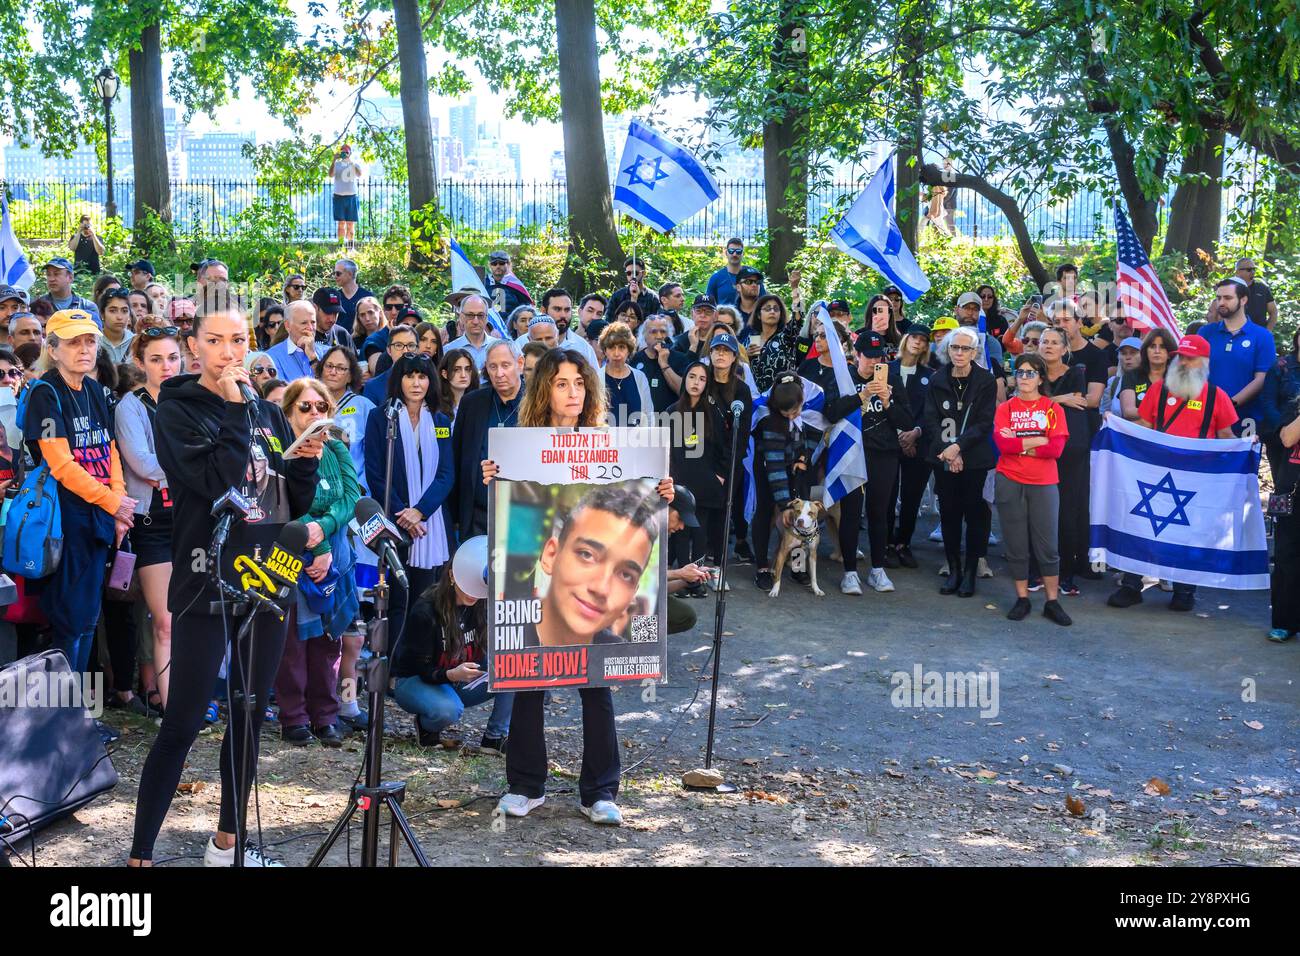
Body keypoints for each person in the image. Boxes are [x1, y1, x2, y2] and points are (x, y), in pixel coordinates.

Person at [127, 308, 322, 868]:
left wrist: (304, 462)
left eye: (238, 340)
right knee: (184, 720)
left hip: (267, 576)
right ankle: (141, 855)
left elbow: (290, 501)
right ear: (195, 347)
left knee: (249, 711)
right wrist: (236, 409)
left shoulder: (265, 409)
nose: (229, 351)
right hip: (204, 575)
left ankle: (228, 843)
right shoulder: (177, 407)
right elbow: (214, 481)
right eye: (215, 340)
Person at [482, 350, 674, 827]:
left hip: (595, 634)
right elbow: (500, 504)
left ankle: (600, 792)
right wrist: (489, 476)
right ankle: (525, 786)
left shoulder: (612, 445)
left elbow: (644, 493)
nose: (572, 392)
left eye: (579, 384)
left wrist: (662, 492)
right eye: (561, 383)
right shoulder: (519, 446)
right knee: (530, 681)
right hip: (531, 606)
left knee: (597, 686)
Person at [22, 309, 133, 742]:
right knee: (70, 620)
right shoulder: (44, 393)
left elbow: (111, 452)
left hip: (100, 515)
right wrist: (114, 503)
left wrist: (119, 504)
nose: (84, 349)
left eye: (89, 341)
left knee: (88, 619)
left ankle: (76, 717)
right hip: (65, 519)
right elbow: (61, 464)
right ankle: (59, 721)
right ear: (52, 349)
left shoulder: (96, 391)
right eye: (72, 342)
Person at [1105, 334, 1239, 613]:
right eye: (1181, 357)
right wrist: (1116, 428)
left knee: (1189, 533)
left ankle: (1184, 590)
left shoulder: (1217, 396)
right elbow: (1142, 425)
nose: (1184, 362)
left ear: (1204, 362)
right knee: (1141, 524)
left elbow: (1227, 436)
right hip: (1154, 472)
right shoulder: (1158, 391)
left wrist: (1244, 449)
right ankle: (1131, 585)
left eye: (1191, 358)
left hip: (1196, 479)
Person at [275, 378, 361, 748]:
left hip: (335, 559)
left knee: (330, 640)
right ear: (290, 411)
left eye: (321, 407)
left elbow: (350, 496)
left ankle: (325, 716)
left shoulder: (337, 448)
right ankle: (293, 717)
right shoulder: (282, 451)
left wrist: (325, 532)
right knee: (291, 642)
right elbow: (296, 504)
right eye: (305, 408)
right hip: (292, 555)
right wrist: (318, 542)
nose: (314, 414)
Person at [364, 353, 454, 648]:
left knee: (423, 598)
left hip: (428, 525)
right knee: (397, 600)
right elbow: (376, 473)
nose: (417, 383)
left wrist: (420, 512)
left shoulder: (441, 420)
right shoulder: (381, 417)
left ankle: (415, 667)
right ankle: (391, 671)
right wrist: (404, 513)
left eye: (423, 376)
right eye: (410, 376)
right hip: (395, 523)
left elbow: (446, 474)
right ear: (398, 380)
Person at [392, 535, 514, 750]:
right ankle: (427, 727)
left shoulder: (480, 605)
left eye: (480, 584)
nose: (473, 592)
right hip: (416, 679)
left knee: (512, 669)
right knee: (449, 710)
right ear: (452, 576)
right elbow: (420, 668)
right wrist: (451, 675)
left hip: (459, 677)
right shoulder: (426, 610)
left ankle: (495, 736)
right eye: (468, 583)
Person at [116, 327, 182, 711]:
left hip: (194, 517)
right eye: (156, 359)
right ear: (141, 363)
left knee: (192, 618)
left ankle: (191, 699)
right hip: (152, 522)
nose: (166, 366)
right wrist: (192, 472)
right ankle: (172, 708)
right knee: (165, 621)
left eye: (172, 357)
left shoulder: (192, 400)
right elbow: (141, 464)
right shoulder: (131, 406)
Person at [993, 353, 1072, 625]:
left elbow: (1056, 449)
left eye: (1031, 372)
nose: (1024, 377)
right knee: (1016, 543)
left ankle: (1052, 601)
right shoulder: (1005, 409)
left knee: (1048, 545)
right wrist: (1038, 439)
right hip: (1009, 480)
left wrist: (1021, 441)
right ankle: (1022, 598)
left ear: (1041, 378)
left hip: (1044, 483)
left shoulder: (1053, 409)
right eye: (1021, 372)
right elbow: (1004, 446)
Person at [923, 327, 996, 598]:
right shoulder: (937, 379)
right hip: (943, 457)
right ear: (948, 349)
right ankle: (953, 569)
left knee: (975, 516)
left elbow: (984, 422)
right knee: (950, 515)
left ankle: (969, 573)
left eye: (965, 348)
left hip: (974, 459)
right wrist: (949, 450)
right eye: (955, 348)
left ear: (974, 351)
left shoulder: (986, 381)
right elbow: (932, 419)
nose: (959, 353)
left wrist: (959, 447)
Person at [750, 371, 826, 592]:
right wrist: (784, 505)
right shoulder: (768, 416)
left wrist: (804, 456)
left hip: (797, 464)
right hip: (769, 464)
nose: (793, 417)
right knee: (765, 511)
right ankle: (763, 568)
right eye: (787, 414)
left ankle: (798, 566)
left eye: (796, 411)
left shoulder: (815, 397)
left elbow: (815, 430)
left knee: (802, 512)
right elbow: (774, 467)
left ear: (803, 399)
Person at [1037, 327, 1090, 596]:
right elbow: (1026, 404)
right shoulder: (1031, 372)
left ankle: (1066, 573)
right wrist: (1058, 400)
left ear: (1064, 348)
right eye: (1044, 341)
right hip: (1038, 447)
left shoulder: (1076, 373)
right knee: (1039, 512)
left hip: (1070, 448)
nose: (1048, 346)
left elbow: (1079, 401)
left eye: (1054, 342)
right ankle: (1039, 570)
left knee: (1067, 512)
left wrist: (1044, 402)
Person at [451, 340, 523, 539]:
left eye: (505, 365)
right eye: (493, 367)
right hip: (478, 516)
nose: (499, 373)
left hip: (523, 513)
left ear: (520, 364)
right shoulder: (472, 403)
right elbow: (457, 457)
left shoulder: (539, 402)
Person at [666, 361, 727, 581]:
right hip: (680, 483)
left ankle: (698, 579)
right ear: (685, 379)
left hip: (706, 482)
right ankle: (685, 580)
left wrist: (719, 476)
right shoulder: (672, 411)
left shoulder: (713, 413)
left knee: (700, 532)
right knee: (682, 532)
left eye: (702, 379)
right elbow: (666, 450)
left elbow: (724, 447)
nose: (696, 383)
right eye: (692, 377)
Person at [1200, 277, 1276, 437]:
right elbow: (1192, 370)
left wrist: (1228, 404)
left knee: (1239, 462)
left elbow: (1261, 379)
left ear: (1243, 300)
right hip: (1204, 414)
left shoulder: (1262, 336)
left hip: (1245, 418)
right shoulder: (1206, 332)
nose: (1221, 302)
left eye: (1228, 298)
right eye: (1218, 297)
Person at [887, 323, 935, 569]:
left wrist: (915, 433)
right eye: (914, 337)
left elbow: (930, 411)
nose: (918, 342)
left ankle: (903, 544)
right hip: (888, 442)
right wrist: (899, 435)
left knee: (911, 497)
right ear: (905, 339)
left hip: (919, 443)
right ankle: (886, 543)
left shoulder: (930, 375)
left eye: (923, 339)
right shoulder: (886, 370)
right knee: (887, 494)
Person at [705, 330, 753, 563]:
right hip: (700, 458)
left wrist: (723, 471)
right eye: (717, 350)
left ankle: (717, 564)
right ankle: (696, 563)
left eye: (727, 351)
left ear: (735, 357)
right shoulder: (700, 380)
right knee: (700, 511)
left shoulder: (741, 390)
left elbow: (742, 435)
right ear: (710, 353)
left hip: (728, 462)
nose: (721, 355)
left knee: (722, 512)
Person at [1268, 397, 1300, 641]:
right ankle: (1284, 622)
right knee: (1286, 558)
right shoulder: (1295, 405)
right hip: (1292, 493)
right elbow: (1287, 438)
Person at [745, 286, 811, 393]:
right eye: (767, 308)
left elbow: (798, 319)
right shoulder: (753, 338)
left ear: (780, 315)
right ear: (758, 314)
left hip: (784, 396)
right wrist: (745, 355)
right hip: (756, 401)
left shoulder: (786, 337)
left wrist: (795, 287)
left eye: (776, 309)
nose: (772, 311)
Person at [600, 321, 652, 426]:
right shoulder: (596, 377)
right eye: (611, 347)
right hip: (604, 440)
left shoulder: (639, 377)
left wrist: (648, 439)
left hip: (636, 440)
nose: (616, 353)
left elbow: (648, 415)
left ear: (629, 350)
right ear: (605, 350)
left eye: (621, 347)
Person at [1119, 328, 1177, 422]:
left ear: (1170, 353)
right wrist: (1164, 413)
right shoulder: (1132, 376)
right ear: (1145, 351)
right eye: (1152, 346)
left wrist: (1145, 414)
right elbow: (1128, 412)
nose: (1157, 351)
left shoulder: (1178, 379)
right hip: (1138, 434)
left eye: (1162, 347)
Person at [630, 314, 684, 412]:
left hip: (671, 421)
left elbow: (683, 391)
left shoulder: (680, 359)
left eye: (663, 331)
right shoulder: (633, 359)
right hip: (641, 421)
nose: (659, 336)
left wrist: (664, 364)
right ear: (644, 336)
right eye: (653, 332)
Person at [1207, 259, 1277, 330]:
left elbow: (1274, 312)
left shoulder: (1262, 289)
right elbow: (1213, 313)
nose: (1253, 272)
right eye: (1249, 270)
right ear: (1237, 272)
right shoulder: (1228, 288)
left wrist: (1267, 331)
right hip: (1233, 335)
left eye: (1254, 269)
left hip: (1258, 335)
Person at [361, 323, 417, 405]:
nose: (405, 351)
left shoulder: (428, 383)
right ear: (389, 350)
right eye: (398, 345)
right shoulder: (373, 386)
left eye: (411, 345)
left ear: (417, 350)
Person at [266, 299, 319, 383]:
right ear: (287, 326)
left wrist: (313, 357)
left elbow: (331, 389)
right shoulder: (271, 357)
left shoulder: (327, 353)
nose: (310, 328)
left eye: (313, 322)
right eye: (304, 323)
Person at [446, 294, 502, 371]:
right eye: (470, 315)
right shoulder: (448, 350)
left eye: (480, 315)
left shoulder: (500, 348)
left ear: (486, 318)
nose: (475, 321)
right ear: (461, 317)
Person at [33, 257, 100, 322]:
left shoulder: (86, 307)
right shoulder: (38, 306)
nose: (51, 279)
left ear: (70, 277)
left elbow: (96, 332)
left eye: (56, 274)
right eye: (48, 275)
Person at [706, 238, 767, 306]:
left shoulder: (753, 274)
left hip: (750, 316)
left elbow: (763, 300)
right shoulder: (716, 278)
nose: (734, 254)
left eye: (738, 251)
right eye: (731, 251)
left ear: (743, 253)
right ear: (726, 253)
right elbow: (709, 305)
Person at [329, 143, 363, 247]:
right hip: (338, 197)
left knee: (350, 223)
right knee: (341, 223)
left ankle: (350, 247)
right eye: (343, 152)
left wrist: (350, 162)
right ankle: (340, 246)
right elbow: (330, 174)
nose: (345, 154)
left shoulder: (354, 164)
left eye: (346, 152)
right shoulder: (337, 164)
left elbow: (360, 174)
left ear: (350, 153)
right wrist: (334, 160)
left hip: (351, 197)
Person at [1101, 337, 1143, 415]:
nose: (1128, 357)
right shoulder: (1113, 383)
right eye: (1123, 353)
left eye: (1133, 352)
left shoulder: (1152, 381)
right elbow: (1104, 411)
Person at [483, 251, 531, 316]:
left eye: (501, 263)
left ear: (508, 264)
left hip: (510, 324)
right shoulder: (483, 283)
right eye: (494, 263)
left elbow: (527, 308)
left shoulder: (516, 285)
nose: (498, 266)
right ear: (490, 265)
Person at [98, 288, 135, 364]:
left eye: (124, 311)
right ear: (102, 314)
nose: (119, 317)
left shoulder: (137, 342)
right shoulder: (94, 342)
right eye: (113, 311)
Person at [332, 258, 373, 327]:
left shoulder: (367, 297)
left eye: (338, 273)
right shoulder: (334, 297)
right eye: (334, 273)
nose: (335, 276)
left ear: (350, 274)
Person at [440, 348, 478, 421]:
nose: (463, 375)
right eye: (456, 370)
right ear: (444, 374)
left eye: (467, 369)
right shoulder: (436, 405)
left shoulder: (479, 403)